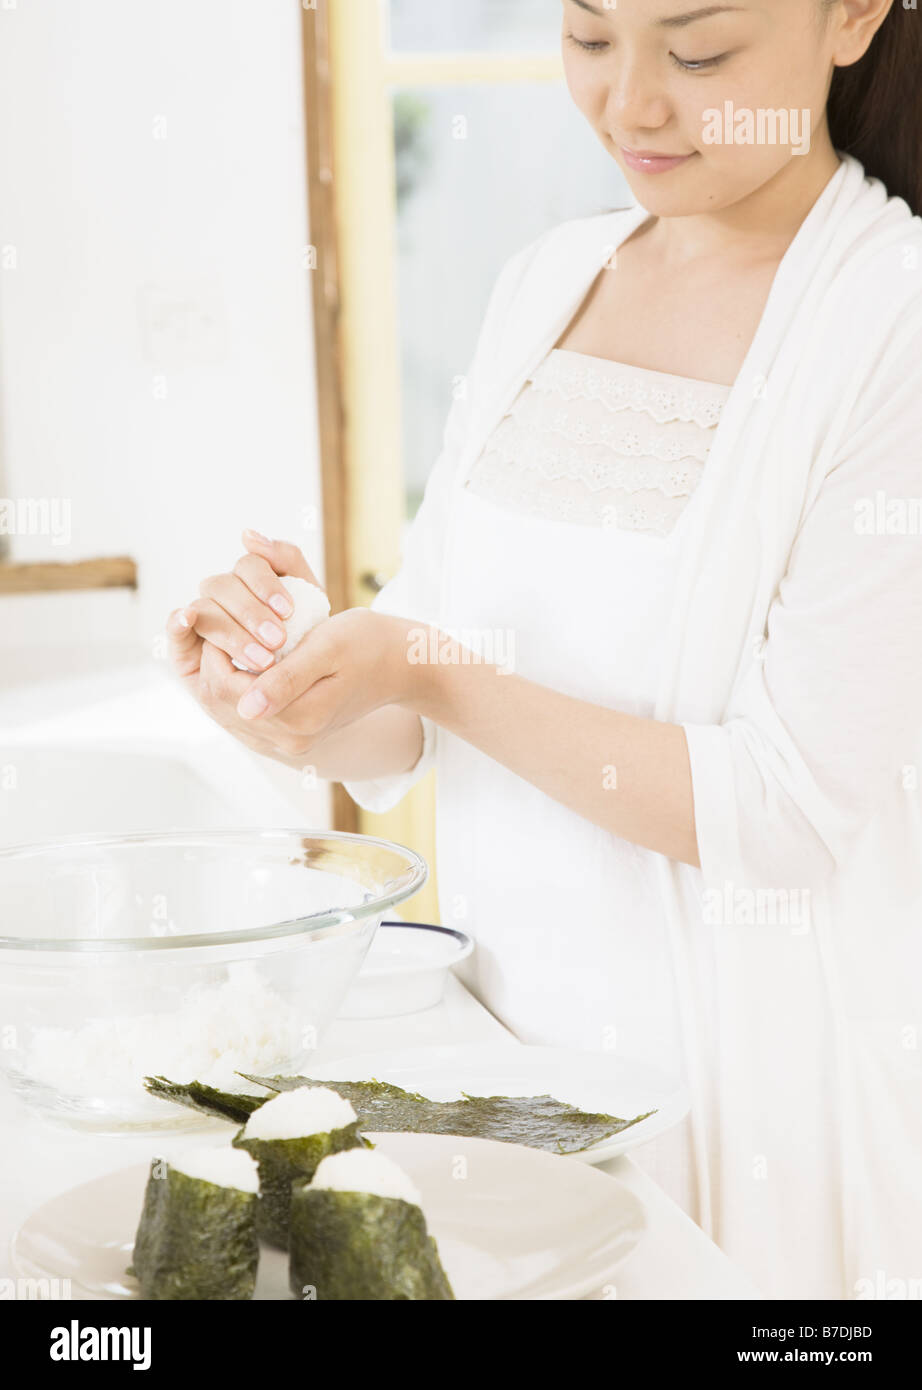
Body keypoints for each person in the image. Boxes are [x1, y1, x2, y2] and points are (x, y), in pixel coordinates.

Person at [167, 0, 922, 1299]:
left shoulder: (888, 320)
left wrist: (428, 664)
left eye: (696, 52)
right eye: (586, 36)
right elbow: (409, 710)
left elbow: (785, 809)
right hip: (525, 1088)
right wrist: (290, 684)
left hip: (757, 1121)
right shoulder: (550, 278)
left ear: (851, 15)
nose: (629, 103)